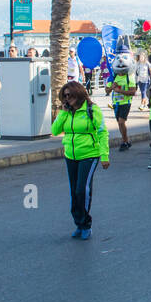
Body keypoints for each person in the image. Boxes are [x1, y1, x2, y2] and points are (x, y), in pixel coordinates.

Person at [52, 80, 110, 240]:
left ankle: (86, 223)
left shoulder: (92, 110)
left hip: (89, 154)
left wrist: (104, 156)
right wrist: (63, 112)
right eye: (64, 96)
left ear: (78, 94)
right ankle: (78, 222)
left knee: (82, 190)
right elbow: (55, 130)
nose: (67, 98)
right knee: (73, 191)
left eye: (70, 95)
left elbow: (102, 133)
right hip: (70, 155)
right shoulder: (67, 112)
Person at [107, 58, 135, 151]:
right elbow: (107, 91)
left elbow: (133, 92)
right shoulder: (113, 77)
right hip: (116, 103)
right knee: (119, 124)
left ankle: (125, 141)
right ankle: (126, 141)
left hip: (126, 103)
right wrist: (112, 87)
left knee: (121, 122)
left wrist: (120, 91)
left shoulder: (129, 77)